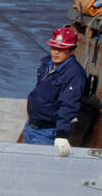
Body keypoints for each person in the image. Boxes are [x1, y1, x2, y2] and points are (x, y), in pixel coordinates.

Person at [21, 26, 87, 155]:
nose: (55, 52)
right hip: (31, 126)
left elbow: (69, 106)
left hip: (46, 133)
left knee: (41, 170)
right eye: (53, 48)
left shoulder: (74, 75)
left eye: (61, 49)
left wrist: (61, 135)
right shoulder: (47, 64)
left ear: (72, 50)